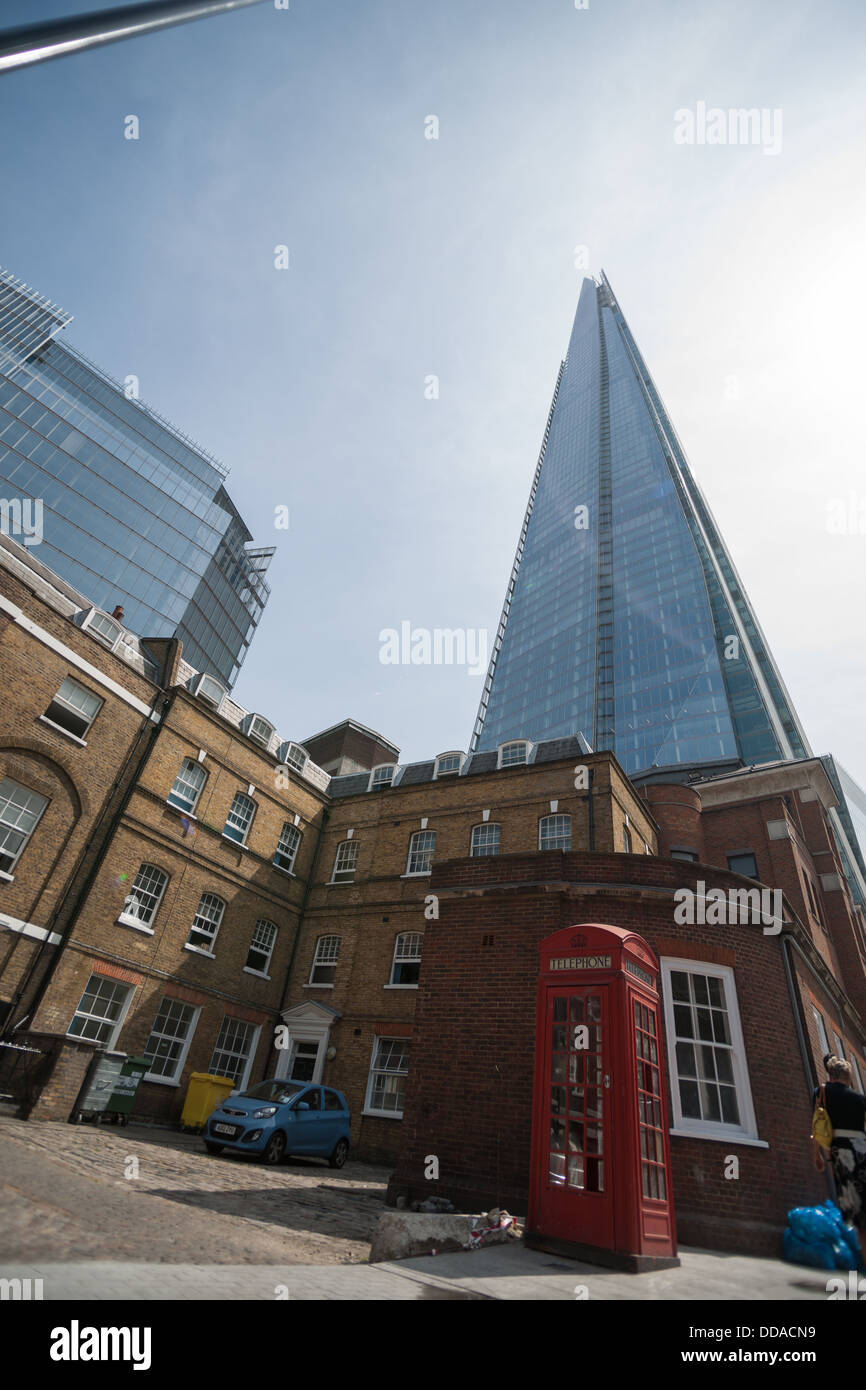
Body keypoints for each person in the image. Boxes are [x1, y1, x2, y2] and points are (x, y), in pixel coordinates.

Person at [812, 1053, 866, 1265]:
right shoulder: (859, 1099)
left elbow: (817, 1126)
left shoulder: (822, 1093)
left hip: (842, 1156)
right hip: (862, 1151)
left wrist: (816, 1154)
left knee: (858, 1218)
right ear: (848, 1078)